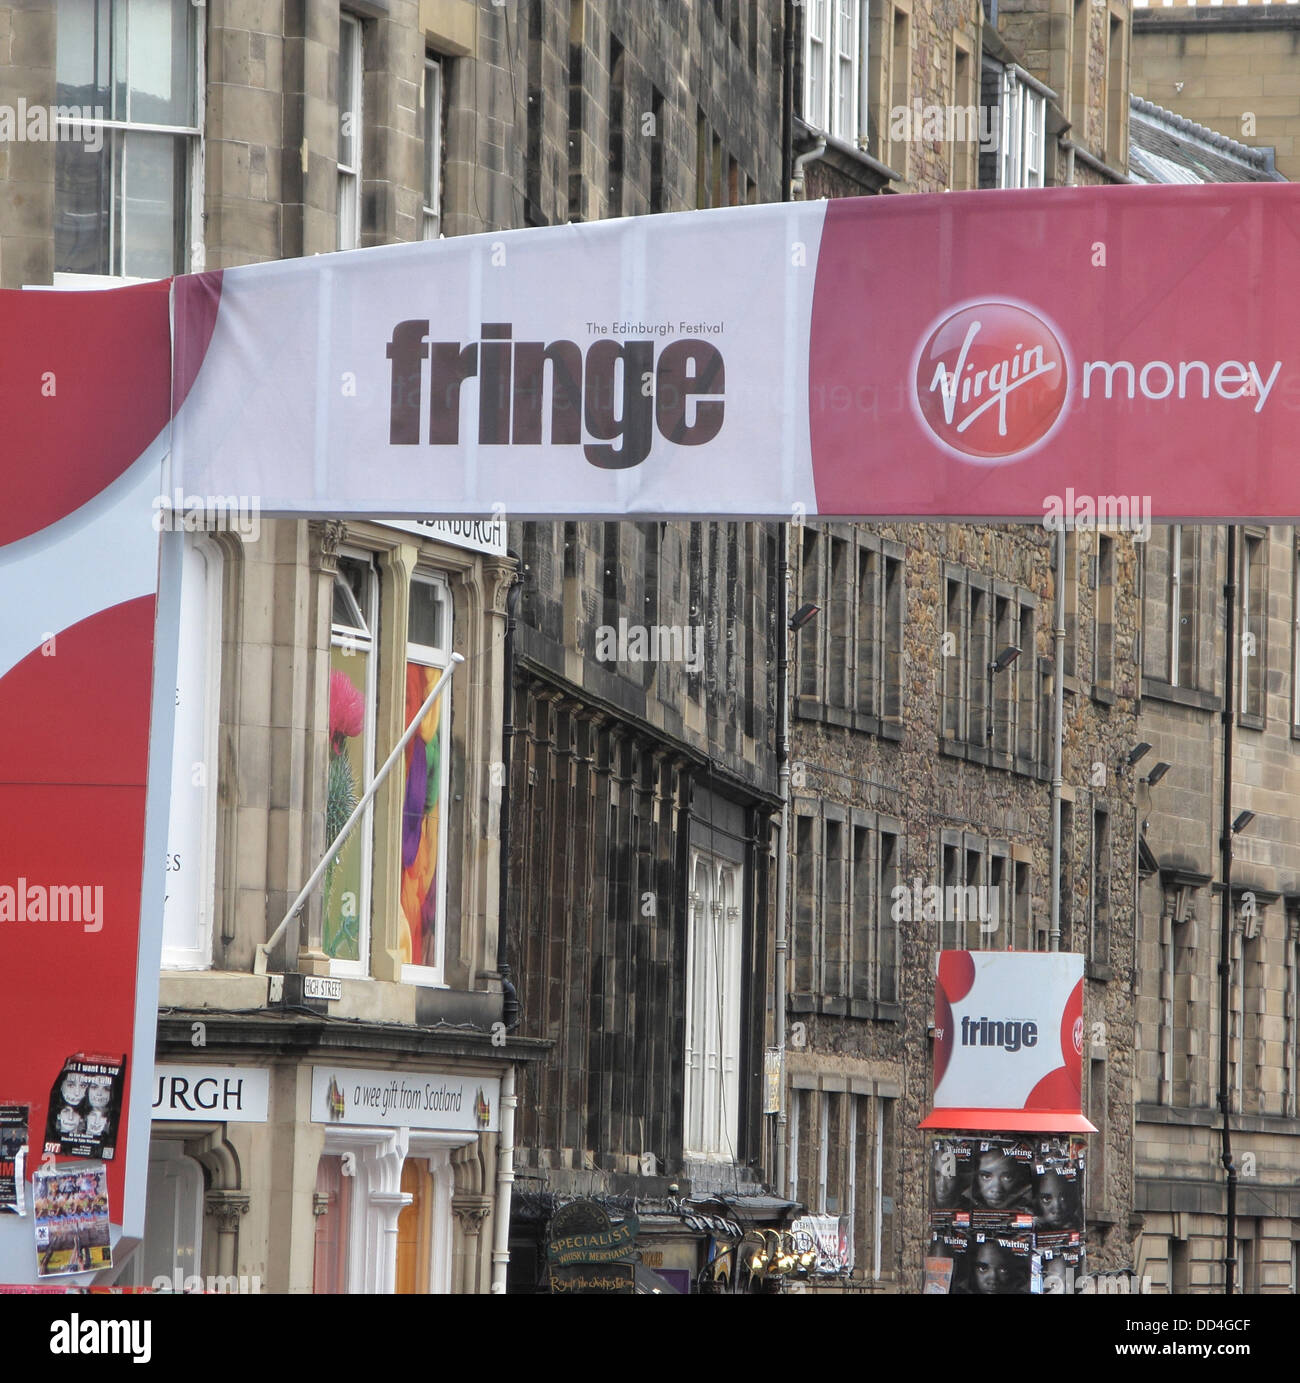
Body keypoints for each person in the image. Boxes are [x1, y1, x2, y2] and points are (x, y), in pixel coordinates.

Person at [971, 1146, 1032, 1211]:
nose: (996, 1189)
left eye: (1007, 1177)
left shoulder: (1027, 1208)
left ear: (1019, 1178)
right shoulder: (965, 1204)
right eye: (986, 1177)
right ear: (976, 1177)